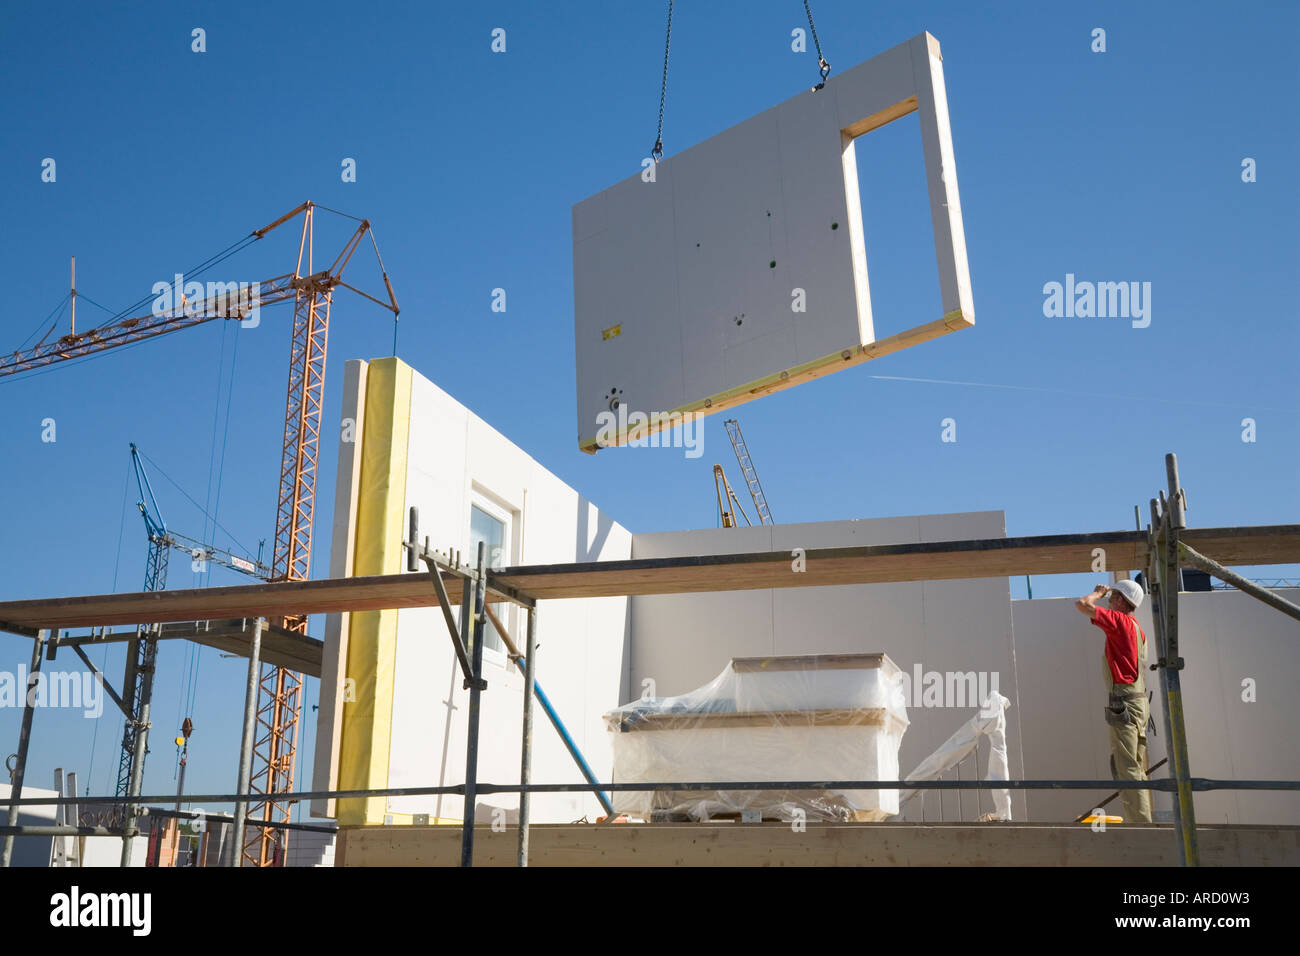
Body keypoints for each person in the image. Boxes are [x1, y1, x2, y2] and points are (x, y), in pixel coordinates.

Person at [1075, 579, 1152, 823]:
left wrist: (1097, 593)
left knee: (1128, 770)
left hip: (1125, 704)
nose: (1109, 600)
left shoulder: (1120, 622)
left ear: (1121, 600)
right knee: (1135, 770)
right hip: (1138, 704)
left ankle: (1142, 830)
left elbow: (1082, 605)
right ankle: (1143, 823)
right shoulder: (1138, 630)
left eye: (1112, 596)